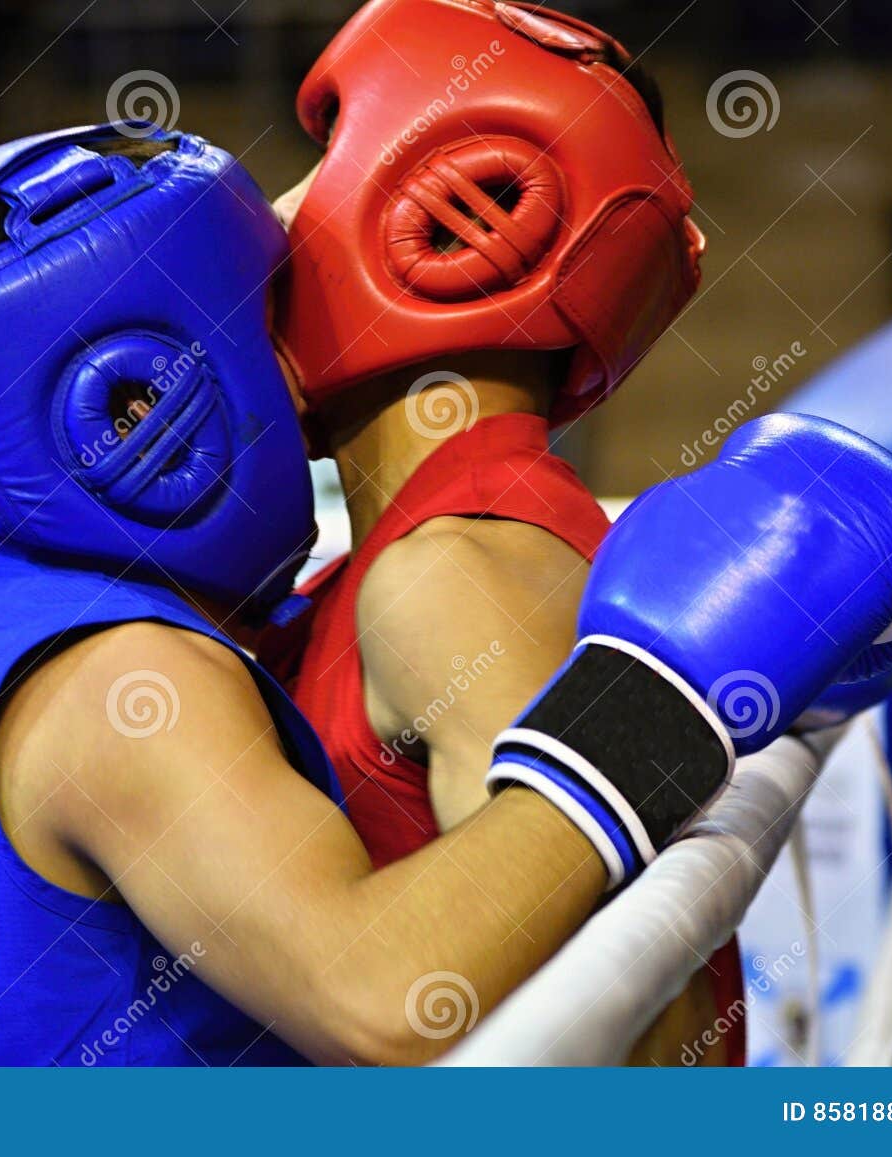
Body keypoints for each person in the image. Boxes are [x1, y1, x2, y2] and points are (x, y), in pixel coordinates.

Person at [0, 123, 892, 1066]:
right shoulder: (119, 683)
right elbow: (384, 995)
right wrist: (659, 697)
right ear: (133, 402)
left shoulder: (7, 621)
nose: (304, 372)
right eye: (264, 320)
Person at [263, 0, 727, 1061]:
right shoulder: (401, 558)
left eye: (320, 155)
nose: (275, 215)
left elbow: (629, 1027)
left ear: (449, 212)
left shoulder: (462, 569)